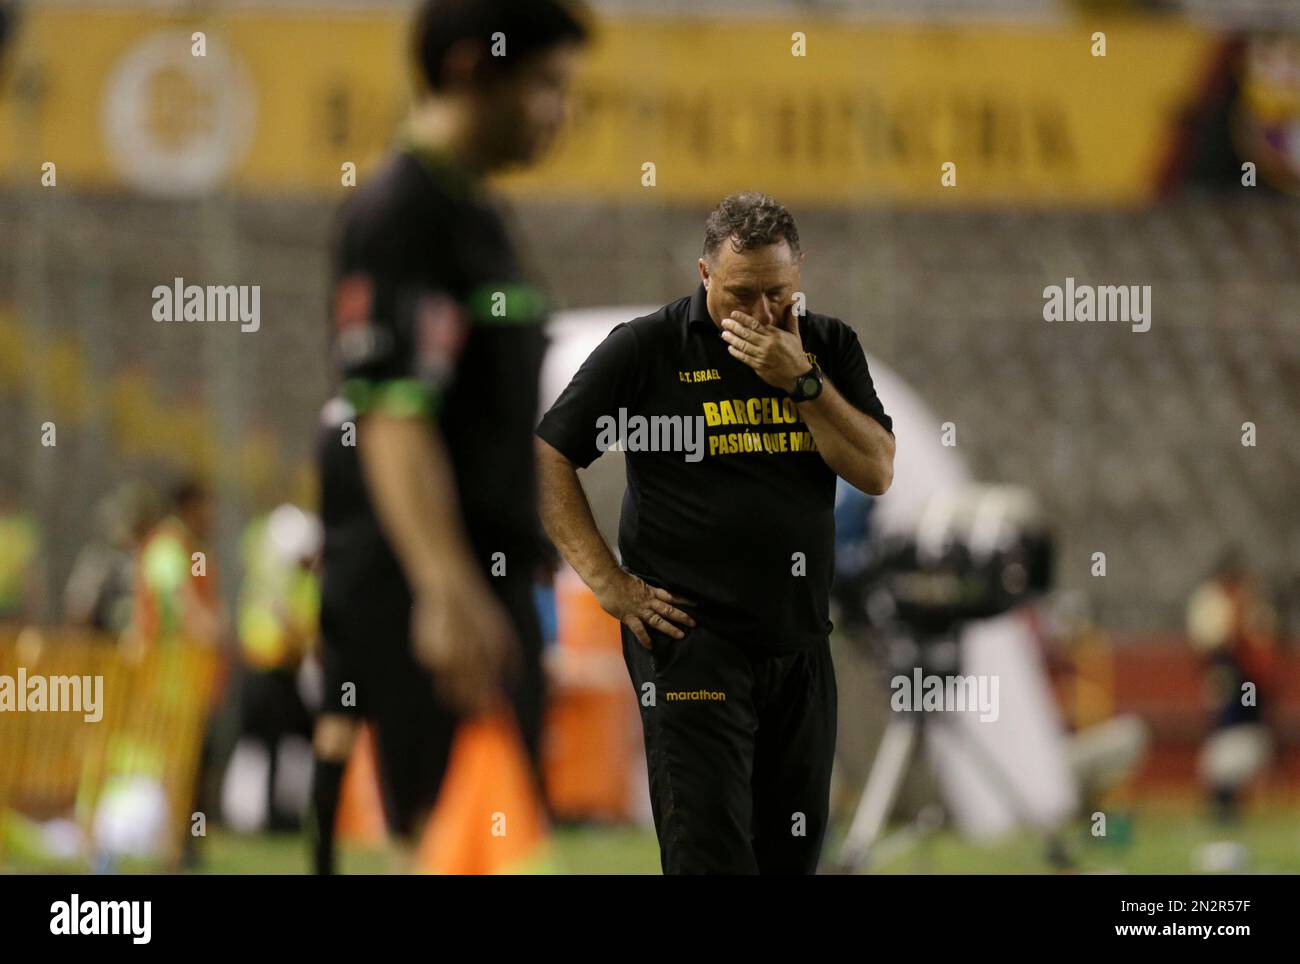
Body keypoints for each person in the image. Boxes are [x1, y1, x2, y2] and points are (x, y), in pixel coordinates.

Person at [536, 192, 896, 874]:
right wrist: (609, 583)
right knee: (713, 855)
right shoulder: (647, 349)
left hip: (797, 641)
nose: (760, 314)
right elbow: (549, 452)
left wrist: (804, 384)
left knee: (791, 853)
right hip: (690, 642)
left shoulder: (826, 346)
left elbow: (876, 469)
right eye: (739, 295)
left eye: (777, 294)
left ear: (799, 275)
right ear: (704, 275)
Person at [310, 0, 589, 874]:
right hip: (433, 593)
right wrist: (443, 587)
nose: (559, 111)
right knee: (443, 844)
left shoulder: (478, 214)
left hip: (493, 585)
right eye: (545, 85)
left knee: (500, 844)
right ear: (473, 67)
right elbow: (393, 410)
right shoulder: (403, 211)